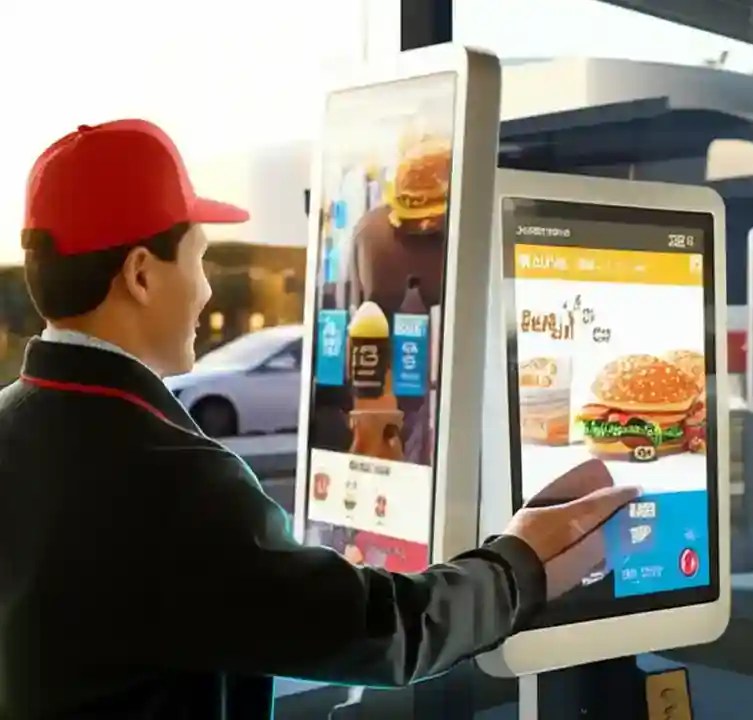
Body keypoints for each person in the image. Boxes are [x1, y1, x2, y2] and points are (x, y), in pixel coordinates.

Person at [0, 119, 637, 719]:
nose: (207, 290)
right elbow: (384, 632)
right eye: (198, 260)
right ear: (141, 275)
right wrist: (520, 564)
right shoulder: (176, 484)